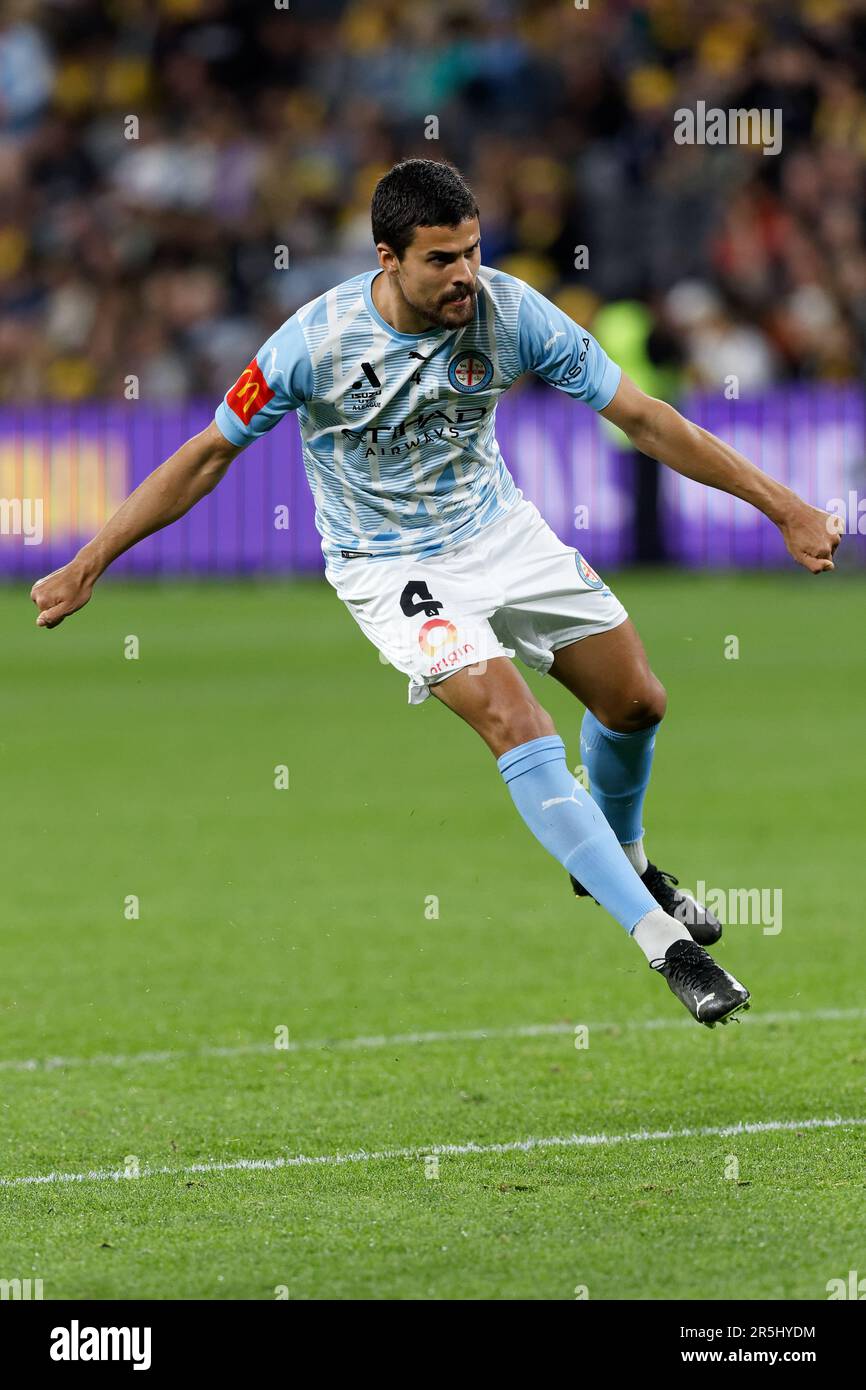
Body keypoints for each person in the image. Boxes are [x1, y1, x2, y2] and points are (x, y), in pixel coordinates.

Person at [31, 159, 840, 1027]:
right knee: (514, 720)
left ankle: (623, 856)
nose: (465, 276)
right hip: (391, 568)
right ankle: (660, 941)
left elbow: (645, 417)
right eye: (442, 260)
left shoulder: (513, 311)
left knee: (638, 701)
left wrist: (783, 506)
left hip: (500, 531)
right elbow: (206, 454)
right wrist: (91, 560)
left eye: (473, 251)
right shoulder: (314, 343)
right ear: (388, 258)